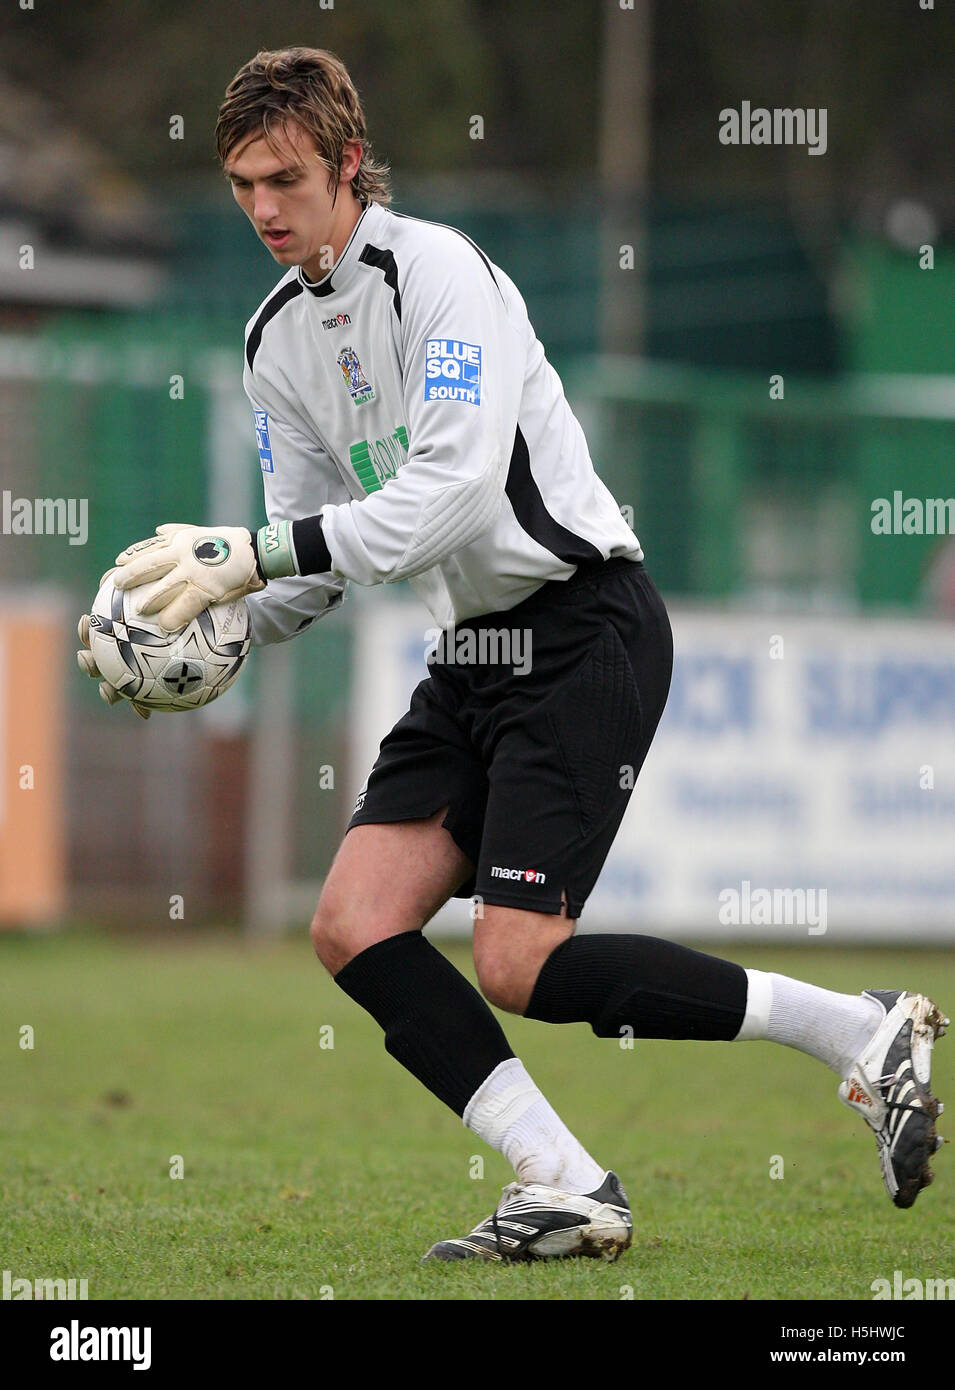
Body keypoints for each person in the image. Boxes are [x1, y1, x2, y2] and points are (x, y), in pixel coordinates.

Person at [78, 47, 946, 1262]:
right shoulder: (274, 339)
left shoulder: (441, 276)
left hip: (587, 623)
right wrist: (196, 633)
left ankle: (855, 1032)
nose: (264, 207)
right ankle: (564, 1181)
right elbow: (311, 566)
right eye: (240, 185)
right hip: (474, 650)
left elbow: (443, 500)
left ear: (347, 165)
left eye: (284, 177)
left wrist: (250, 555)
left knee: (517, 960)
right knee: (353, 922)